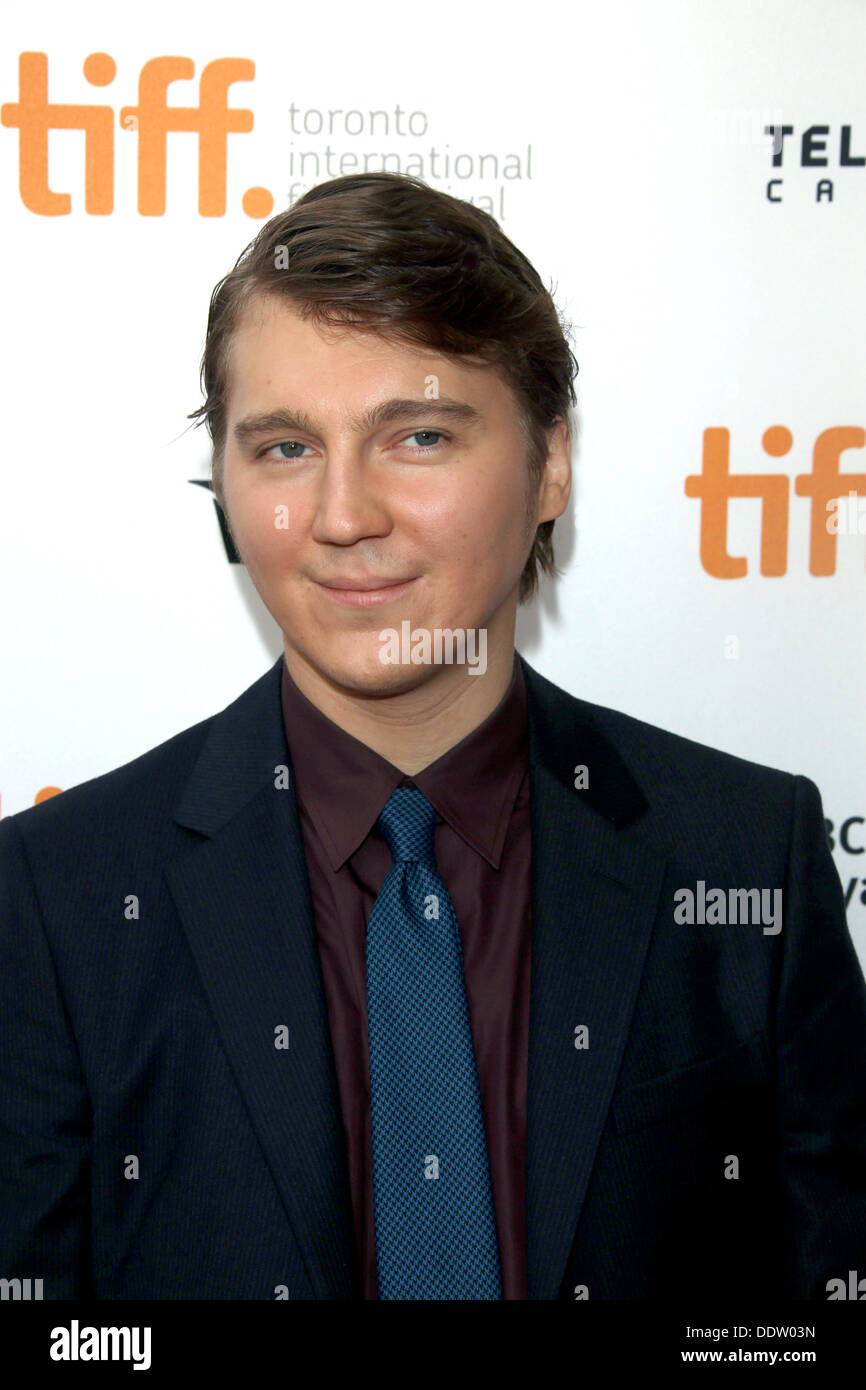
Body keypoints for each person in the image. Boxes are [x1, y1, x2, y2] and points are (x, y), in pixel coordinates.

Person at [1, 172, 864, 1301]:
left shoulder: (744, 854)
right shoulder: (58, 895)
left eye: (415, 434)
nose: (344, 515)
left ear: (548, 463)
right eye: (284, 449)